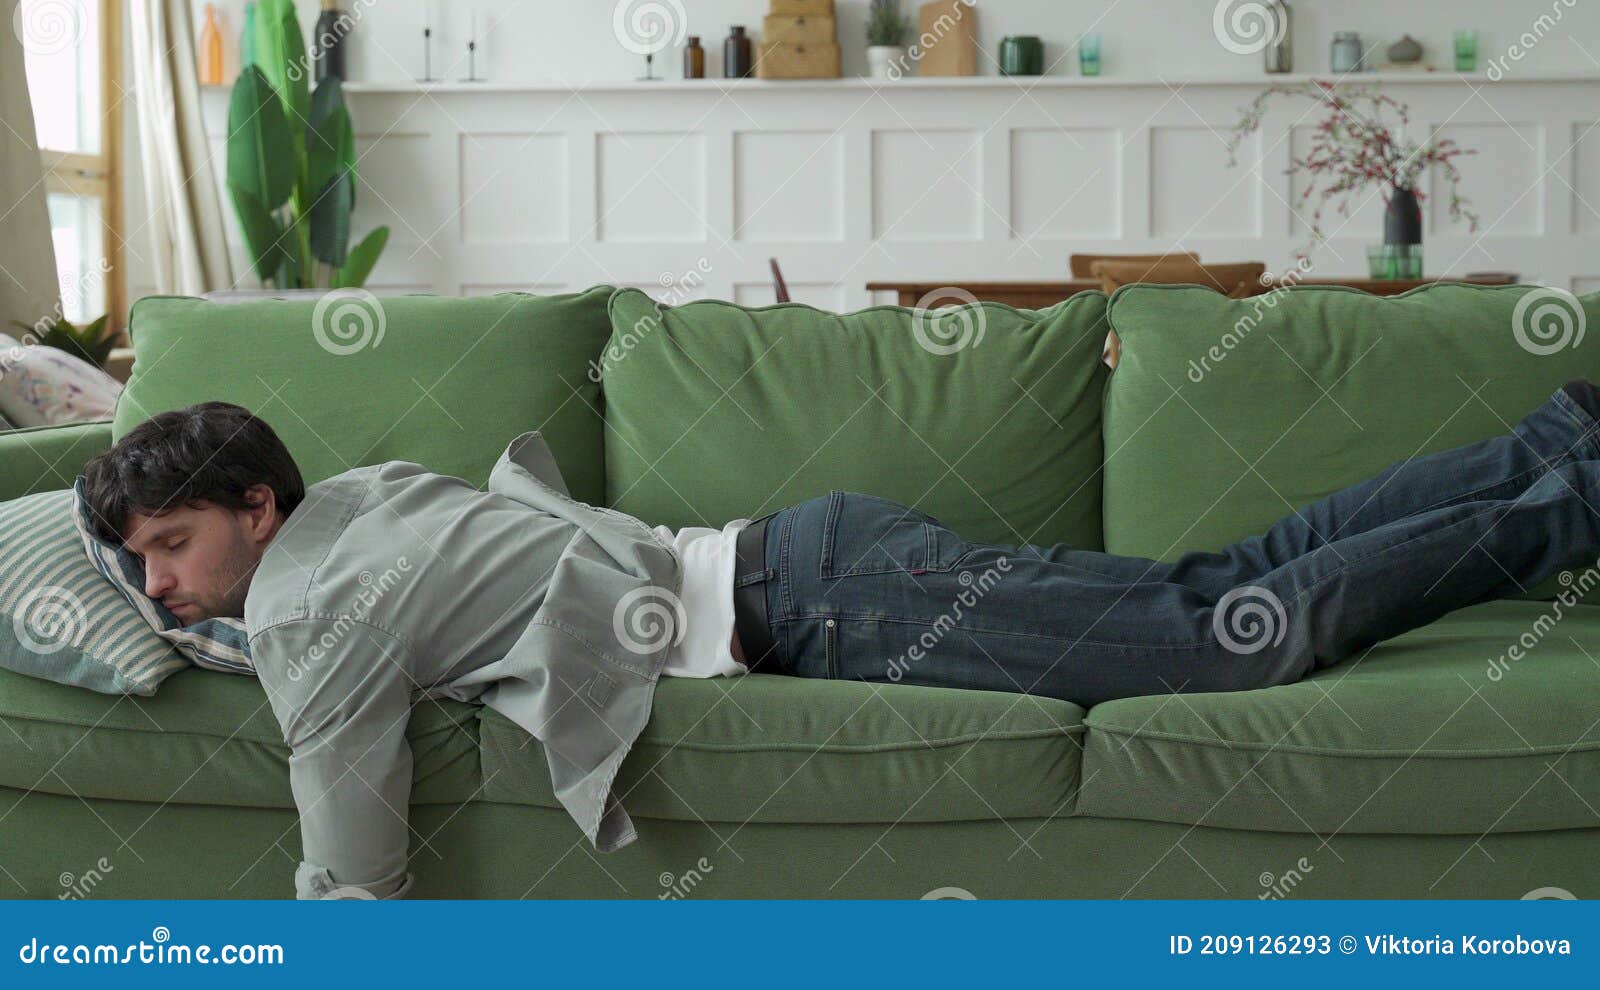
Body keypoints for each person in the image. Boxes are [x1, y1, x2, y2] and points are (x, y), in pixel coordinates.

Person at [78, 381, 1600, 897]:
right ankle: (1556, 440)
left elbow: (353, 866)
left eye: (173, 549)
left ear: (257, 508)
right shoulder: (358, 503)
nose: (160, 593)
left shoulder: (316, 598)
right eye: (135, 573)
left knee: (1240, 633)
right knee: (1232, 580)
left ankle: (1563, 499)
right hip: (822, 561)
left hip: (829, 600)